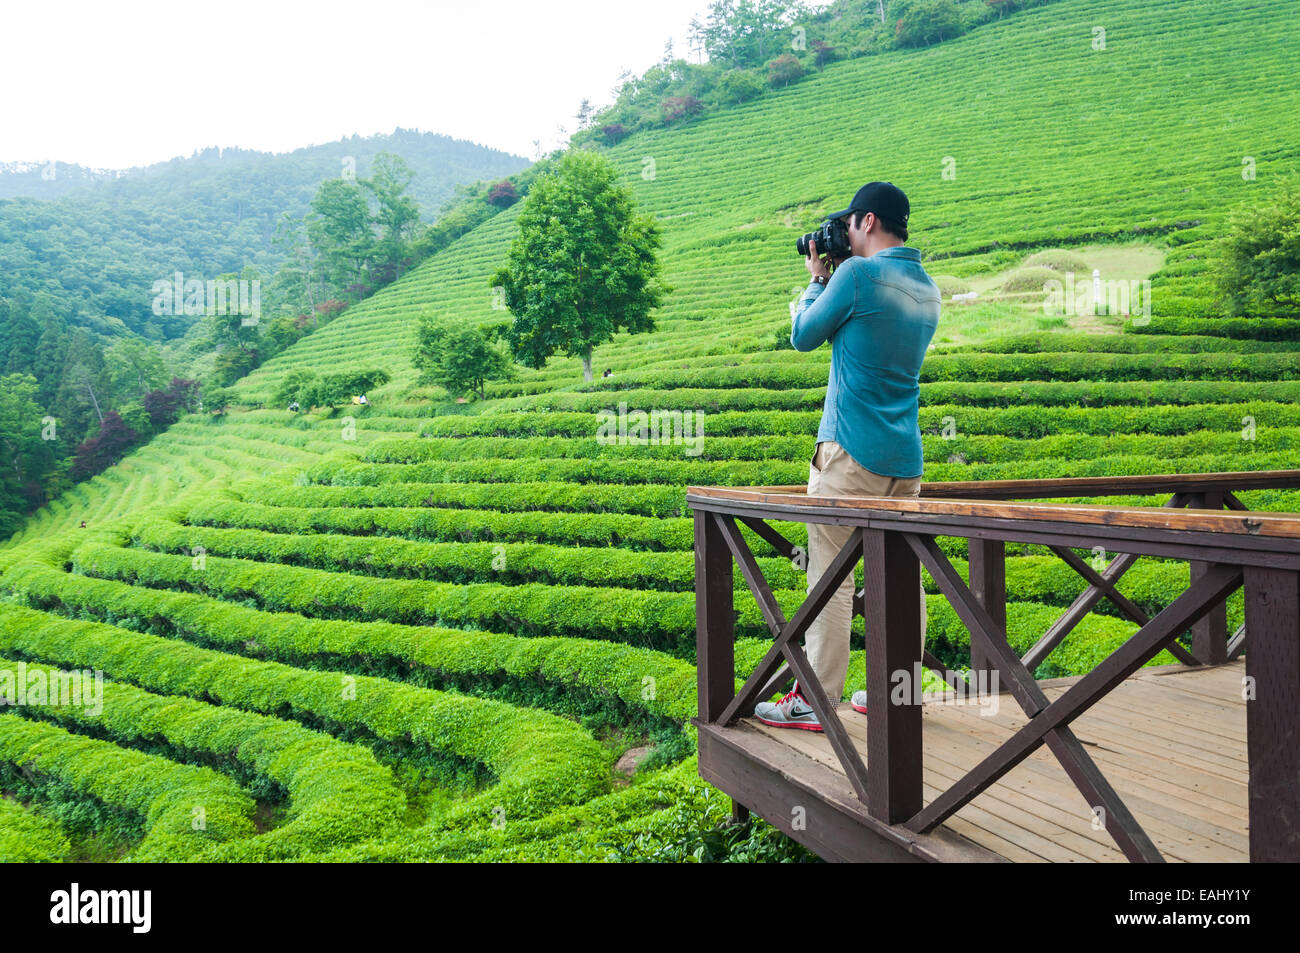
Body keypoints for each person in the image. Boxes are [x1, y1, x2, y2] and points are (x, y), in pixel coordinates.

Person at [754, 182, 940, 732]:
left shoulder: (854, 277)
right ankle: (898, 691)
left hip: (848, 454)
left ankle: (815, 696)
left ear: (865, 220)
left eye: (850, 226)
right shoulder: (927, 288)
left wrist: (817, 279)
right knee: (902, 575)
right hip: (903, 459)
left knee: (830, 578)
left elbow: (803, 337)